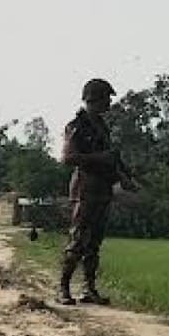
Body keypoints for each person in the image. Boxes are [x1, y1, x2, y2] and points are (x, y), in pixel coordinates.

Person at [59, 77, 138, 305]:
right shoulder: (77, 126)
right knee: (78, 240)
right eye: (106, 99)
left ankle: (88, 289)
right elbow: (68, 157)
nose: (109, 104)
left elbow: (112, 160)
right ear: (94, 99)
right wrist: (99, 158)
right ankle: (63, 288)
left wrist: (124, 178)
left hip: (102, 189)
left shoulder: (101, 127)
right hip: (85, 189)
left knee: (94, 243)